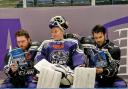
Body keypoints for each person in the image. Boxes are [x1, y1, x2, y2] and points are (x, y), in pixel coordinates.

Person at [34, 16, 86, 88]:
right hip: (50, 75)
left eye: (55, 31)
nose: (53, 34)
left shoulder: (73, 43)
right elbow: (39, 60)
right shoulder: (45, 44)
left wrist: (79, 67)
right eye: (52, 32)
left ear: (62, 30)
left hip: (67, 75)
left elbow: (79, 62)